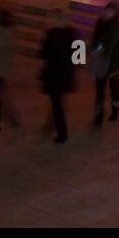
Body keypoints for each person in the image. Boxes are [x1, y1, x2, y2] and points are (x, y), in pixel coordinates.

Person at [39, 9, 76, 143]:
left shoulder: (50, 35)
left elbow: (43, 55)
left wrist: (43, 39)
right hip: (66, 74)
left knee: (56, 105)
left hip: (54, 75)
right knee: (58, 102)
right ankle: (50, 126)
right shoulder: (72, 33)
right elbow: (78, 55)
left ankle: (62, 134)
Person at [90, 1, 119, 125]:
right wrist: (95, 50)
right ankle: (98, 117)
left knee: (114, 88)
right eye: (106, 10)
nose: (107, 13)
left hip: (114, 62)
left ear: (115, 12)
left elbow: (109, 43)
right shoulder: (100, 22)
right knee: (99, 90)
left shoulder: (118, 25)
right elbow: (95, 39)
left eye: (110, 10)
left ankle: (114, 110)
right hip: (102, 61)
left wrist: (97, 51)